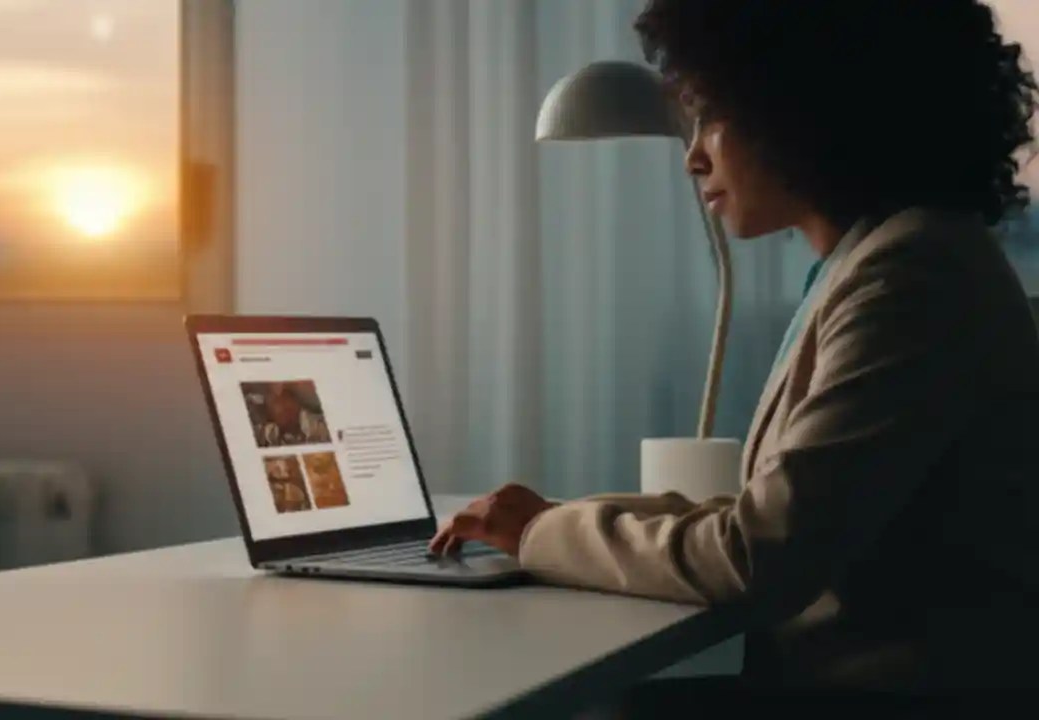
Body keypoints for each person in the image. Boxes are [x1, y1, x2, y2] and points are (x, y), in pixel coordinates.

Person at [431, 0, 1039, 713]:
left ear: (801, 108)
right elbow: (777, 513)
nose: (693, 157)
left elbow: (759, 555)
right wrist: (553, 519)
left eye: (708, 117)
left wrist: (540, 532)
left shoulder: (913, 276)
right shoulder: (888, 258)